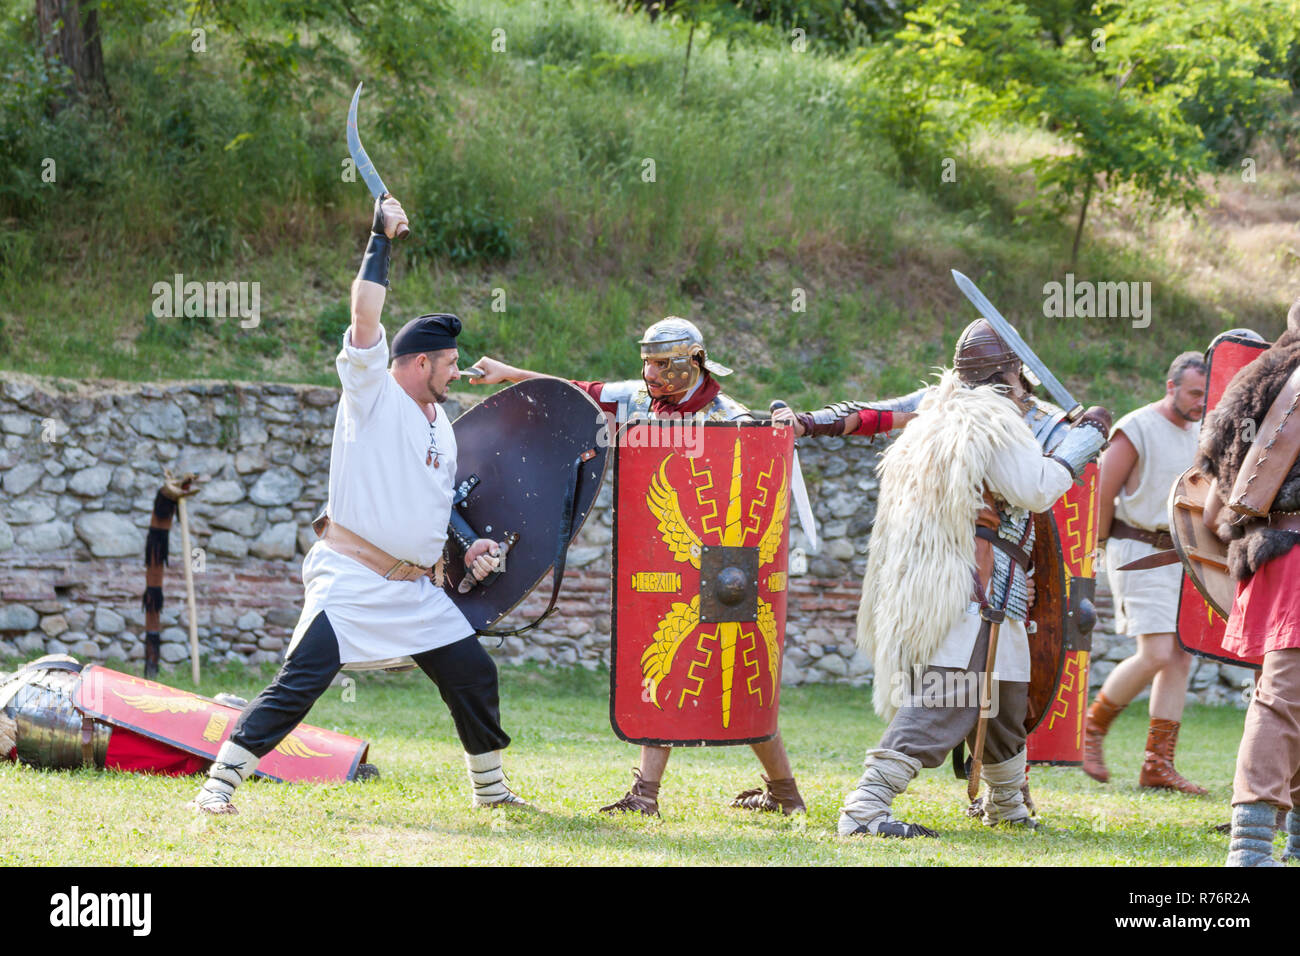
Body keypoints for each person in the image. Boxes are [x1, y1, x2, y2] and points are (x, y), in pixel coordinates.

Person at [470, 318, 903, 817]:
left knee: (742, 678)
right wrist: (506, 374)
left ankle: (774, 793)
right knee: (670, 671)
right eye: (647, 361)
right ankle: (678, 794)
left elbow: (749, 502)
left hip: (727, 569)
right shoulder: (637, 400)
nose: (651, 372)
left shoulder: (732, 420)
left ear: (693, 361)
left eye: (662, 363)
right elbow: (575, 393)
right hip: (672, 567)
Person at [192, 195, 523, 814]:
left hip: (415, 590)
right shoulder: (370, 393)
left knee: (473, 674)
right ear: (419, 361)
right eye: (450, 364)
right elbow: (365, 312)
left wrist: (466, 542)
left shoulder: (442, 426)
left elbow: (434, 502)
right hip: (350, 578)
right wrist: (381, 238)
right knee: (303, 681)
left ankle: (492, 792)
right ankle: (219, 786)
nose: (457, 374)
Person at [837, 320, 1110, 837]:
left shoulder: (939, 417)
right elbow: (1035, 488)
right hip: (972, 581)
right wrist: (1084, 442)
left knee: (1006, 698)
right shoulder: (993, 423)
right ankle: (865, 809)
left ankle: (1006, 805)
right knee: (949, 693)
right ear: (1011, 375)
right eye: (1021, 379)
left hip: (970, 577)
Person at [1197, 302, 1300, 865]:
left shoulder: (1257, 378)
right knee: (1282, 700)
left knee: (1289, 698)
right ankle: (1251, 850)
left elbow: (1212, 510)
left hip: (1268, 555)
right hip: (1296, 562)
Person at [1083, 352, 1209, 794]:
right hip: (1136, 548)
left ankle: (1157, 764)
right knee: (1156, 653)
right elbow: (1102, 492)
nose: (1200, 401)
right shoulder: (1136, 426)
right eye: (1194, 392)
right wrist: (1094, 550)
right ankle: (1091, 729)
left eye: (1205, 394)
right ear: (1171, 386)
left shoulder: (1200, 432)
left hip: (1183, 556)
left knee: (1180, 656)